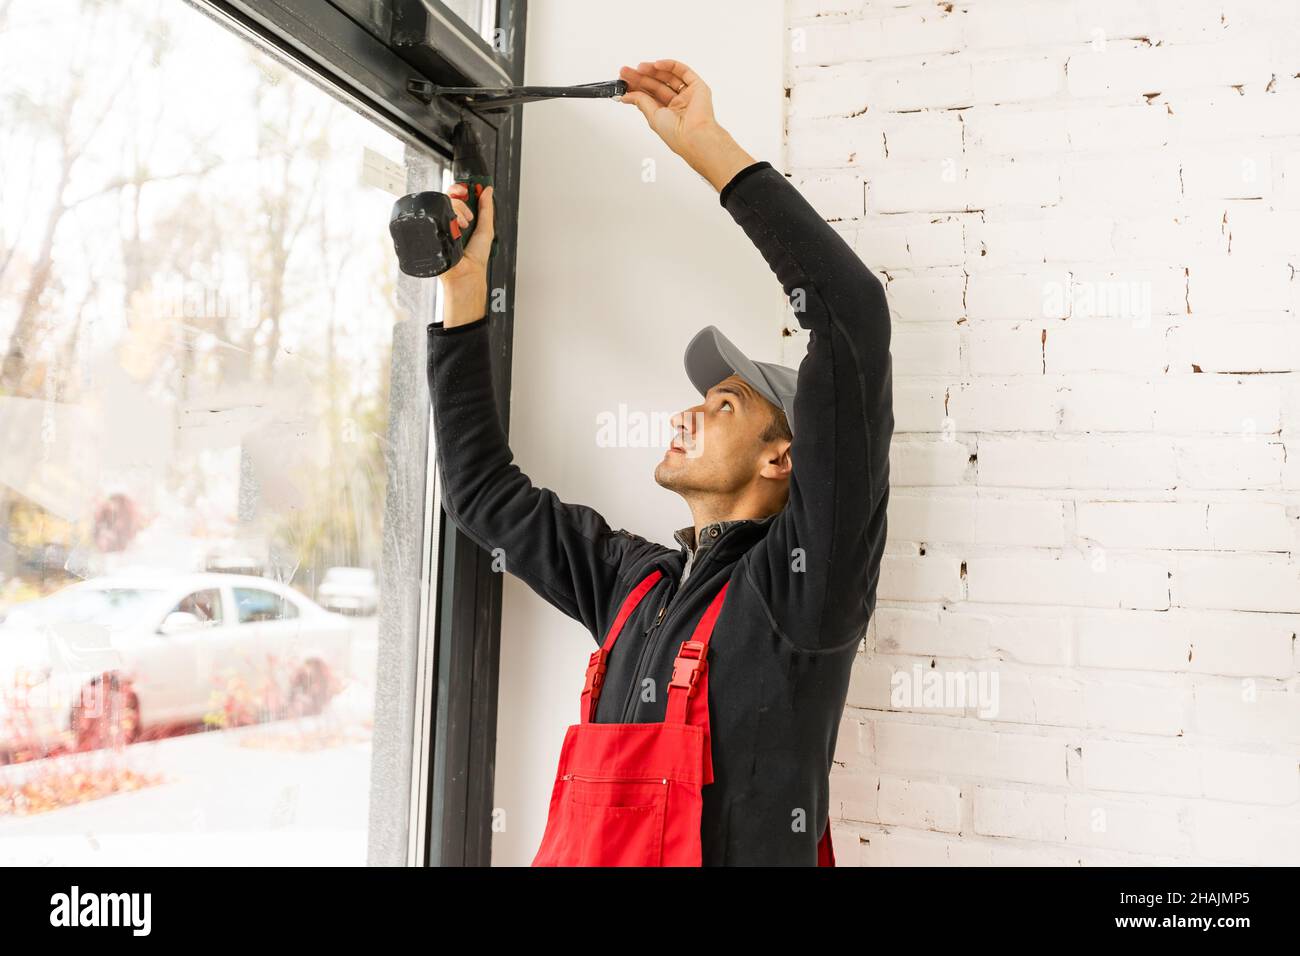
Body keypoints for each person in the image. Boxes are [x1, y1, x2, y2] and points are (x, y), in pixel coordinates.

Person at [427, 59, 893, 865]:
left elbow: (850, 317)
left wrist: (704, 147)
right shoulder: (631, 584)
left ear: (784, 454)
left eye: (725, 405)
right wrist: (465, 292)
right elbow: (480, 493)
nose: (687, 411)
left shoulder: (806, 584)